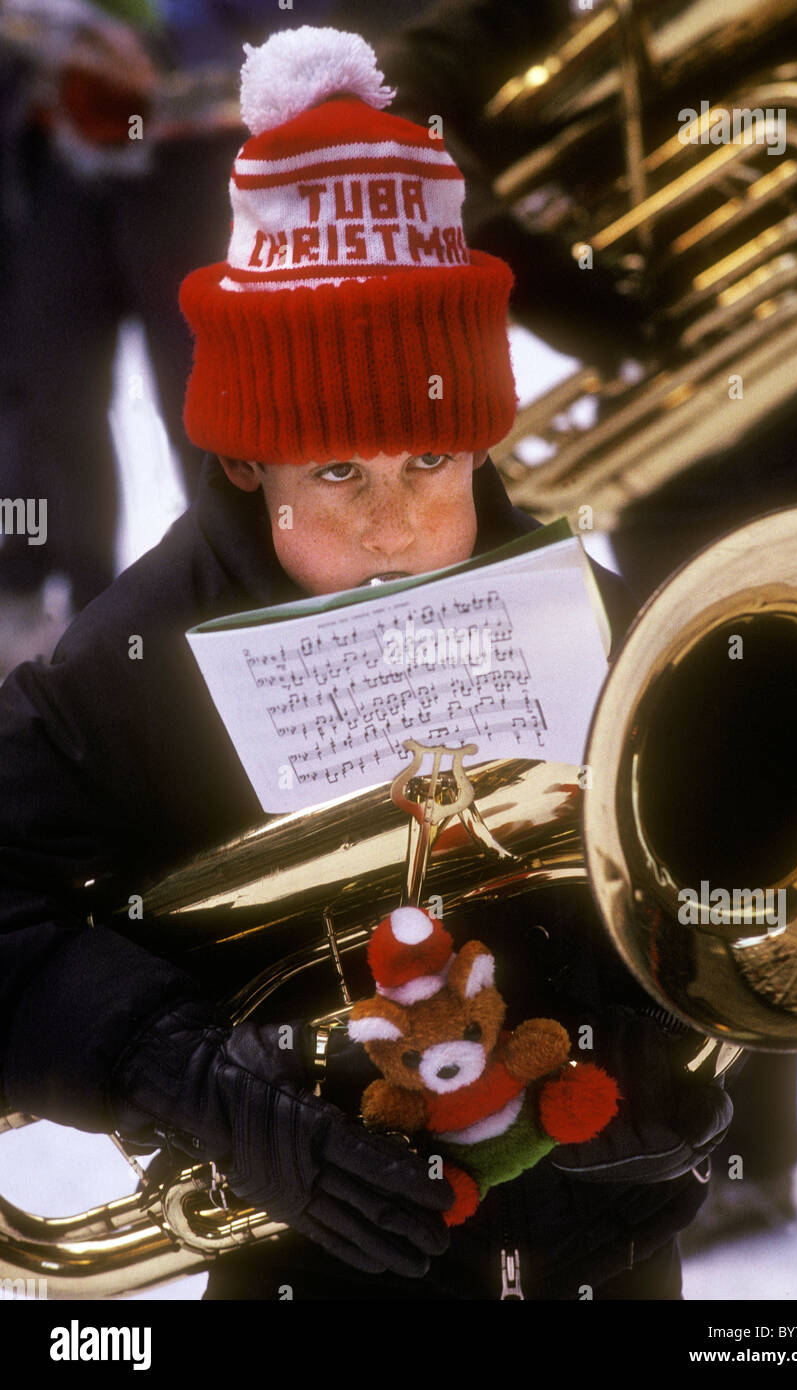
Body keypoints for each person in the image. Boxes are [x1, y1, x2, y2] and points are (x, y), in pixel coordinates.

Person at [0, 26, 732, 1300]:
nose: (392, 523)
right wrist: (177, 1067)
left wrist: (664, 1056)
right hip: (307, 1266)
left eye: (427, 466)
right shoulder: (135, 647)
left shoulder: (589, 618)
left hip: (595, 1267)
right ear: (245, 463)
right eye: (335, 473)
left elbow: (720, 882)